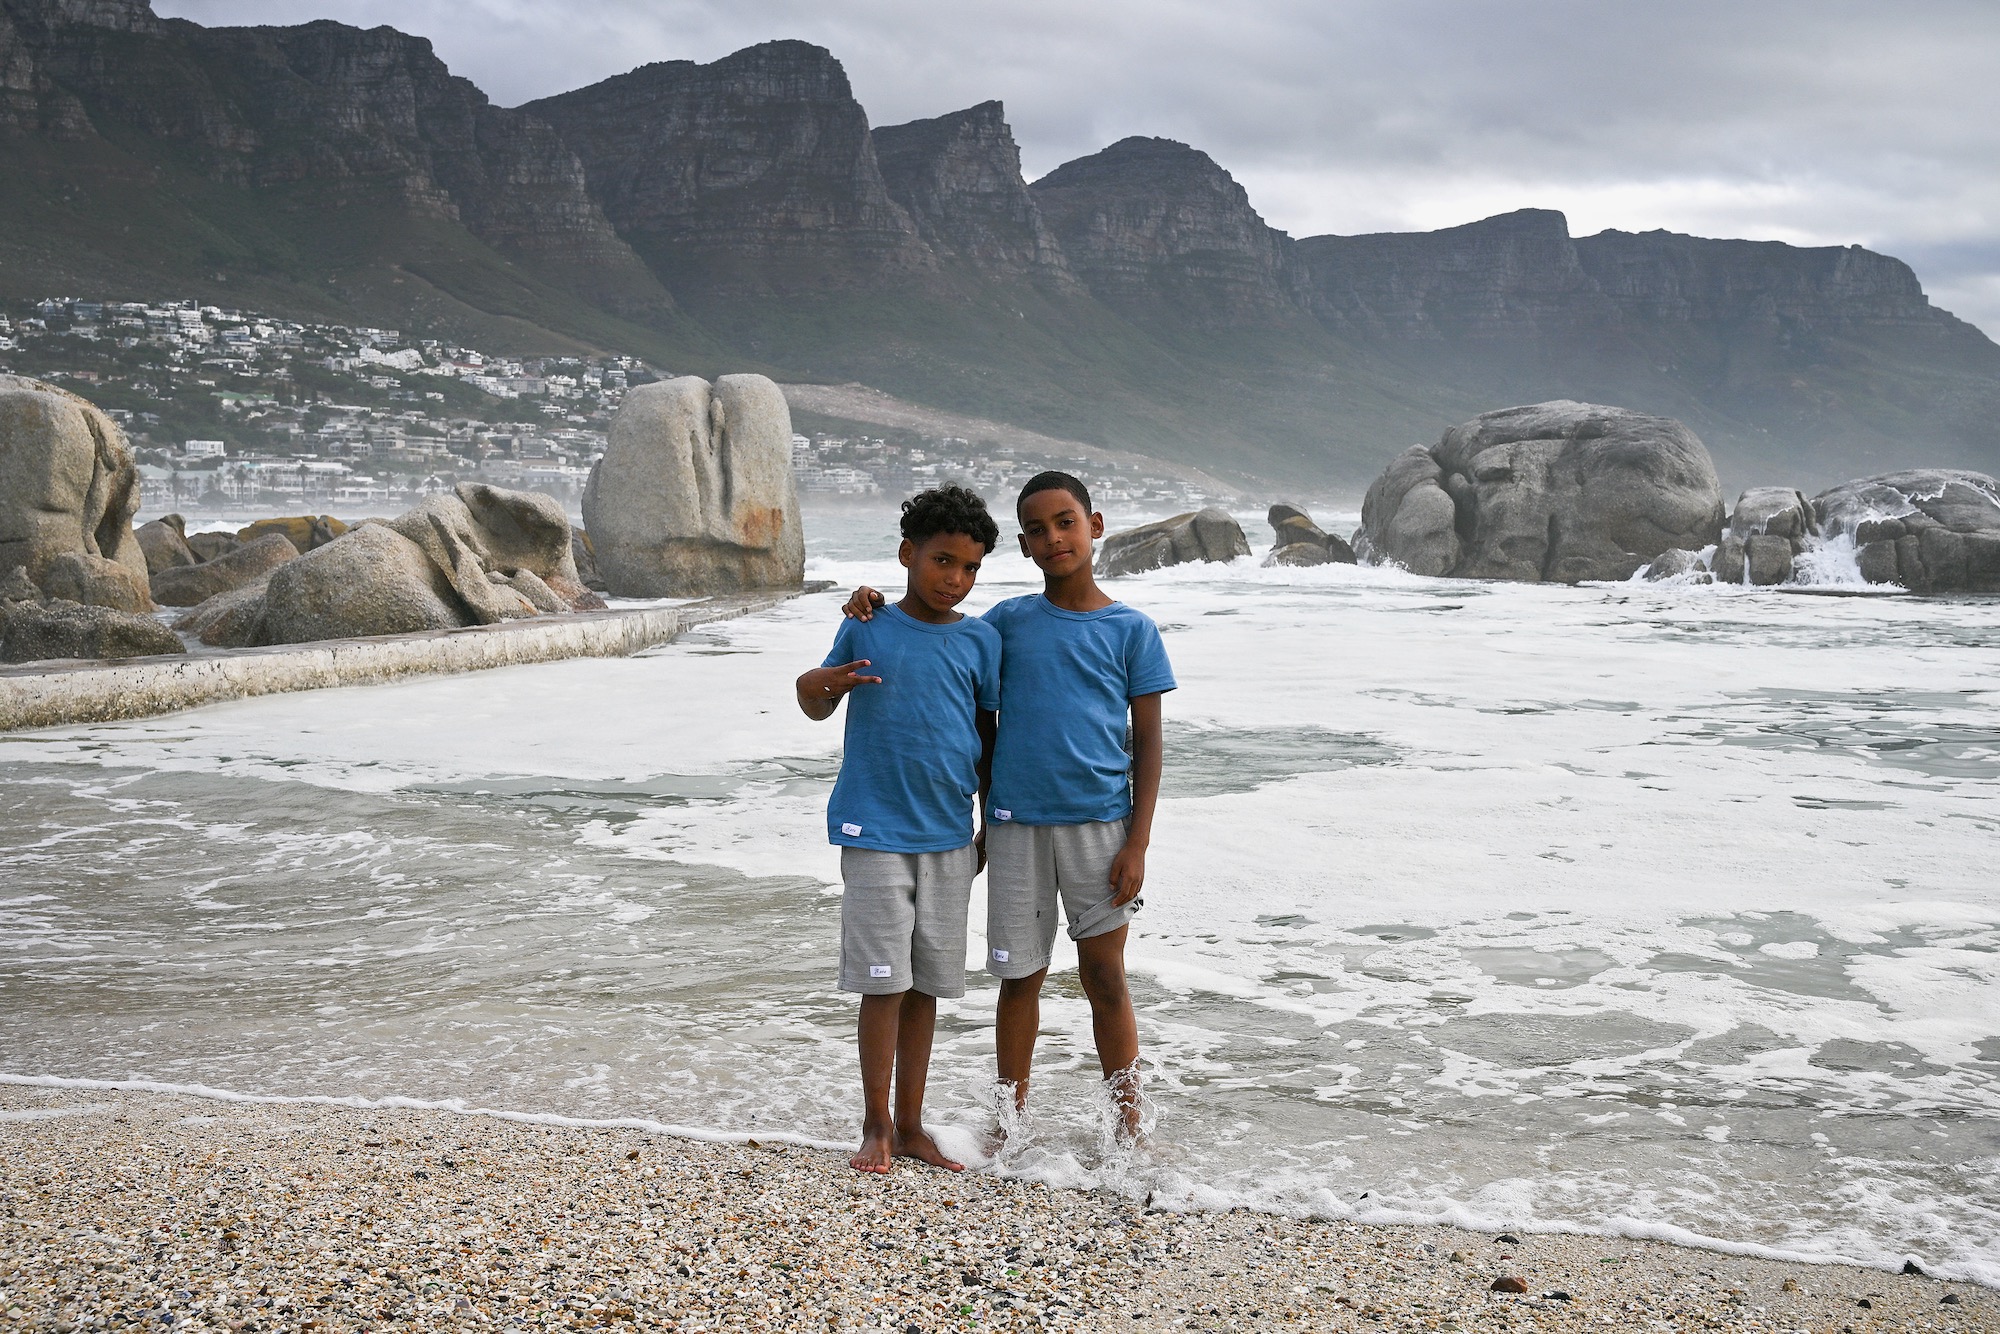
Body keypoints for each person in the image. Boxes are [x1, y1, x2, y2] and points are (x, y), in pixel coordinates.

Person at [842, 471, 1174, 1140]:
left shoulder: (1132, 631)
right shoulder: (1007, 625)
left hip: (1101, 829)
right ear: (1023, 546)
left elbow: (1149, 745)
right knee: (1019, 978)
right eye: (1039, 530)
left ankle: (1129, 1126)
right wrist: (867, 601)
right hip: (1015, 828)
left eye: (1066, 522)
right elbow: (936, 629)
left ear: (1095, 525)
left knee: (1104, 976)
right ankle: (1008, 1123)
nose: (1055, 537)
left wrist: (1137, 843)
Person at [796, 485, 1003, 1173]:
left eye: (970, 568)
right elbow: (817, 702)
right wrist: (816, 683)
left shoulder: (980, 640)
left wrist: (987, 824)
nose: (955, 579)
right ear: (907, 554)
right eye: (943, 561)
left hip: (949, 839)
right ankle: (876, 1125)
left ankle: (912, 1125)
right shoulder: (868, 625)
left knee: (925, 987)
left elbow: (987, 735)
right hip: (875, 828)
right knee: (882, 983)